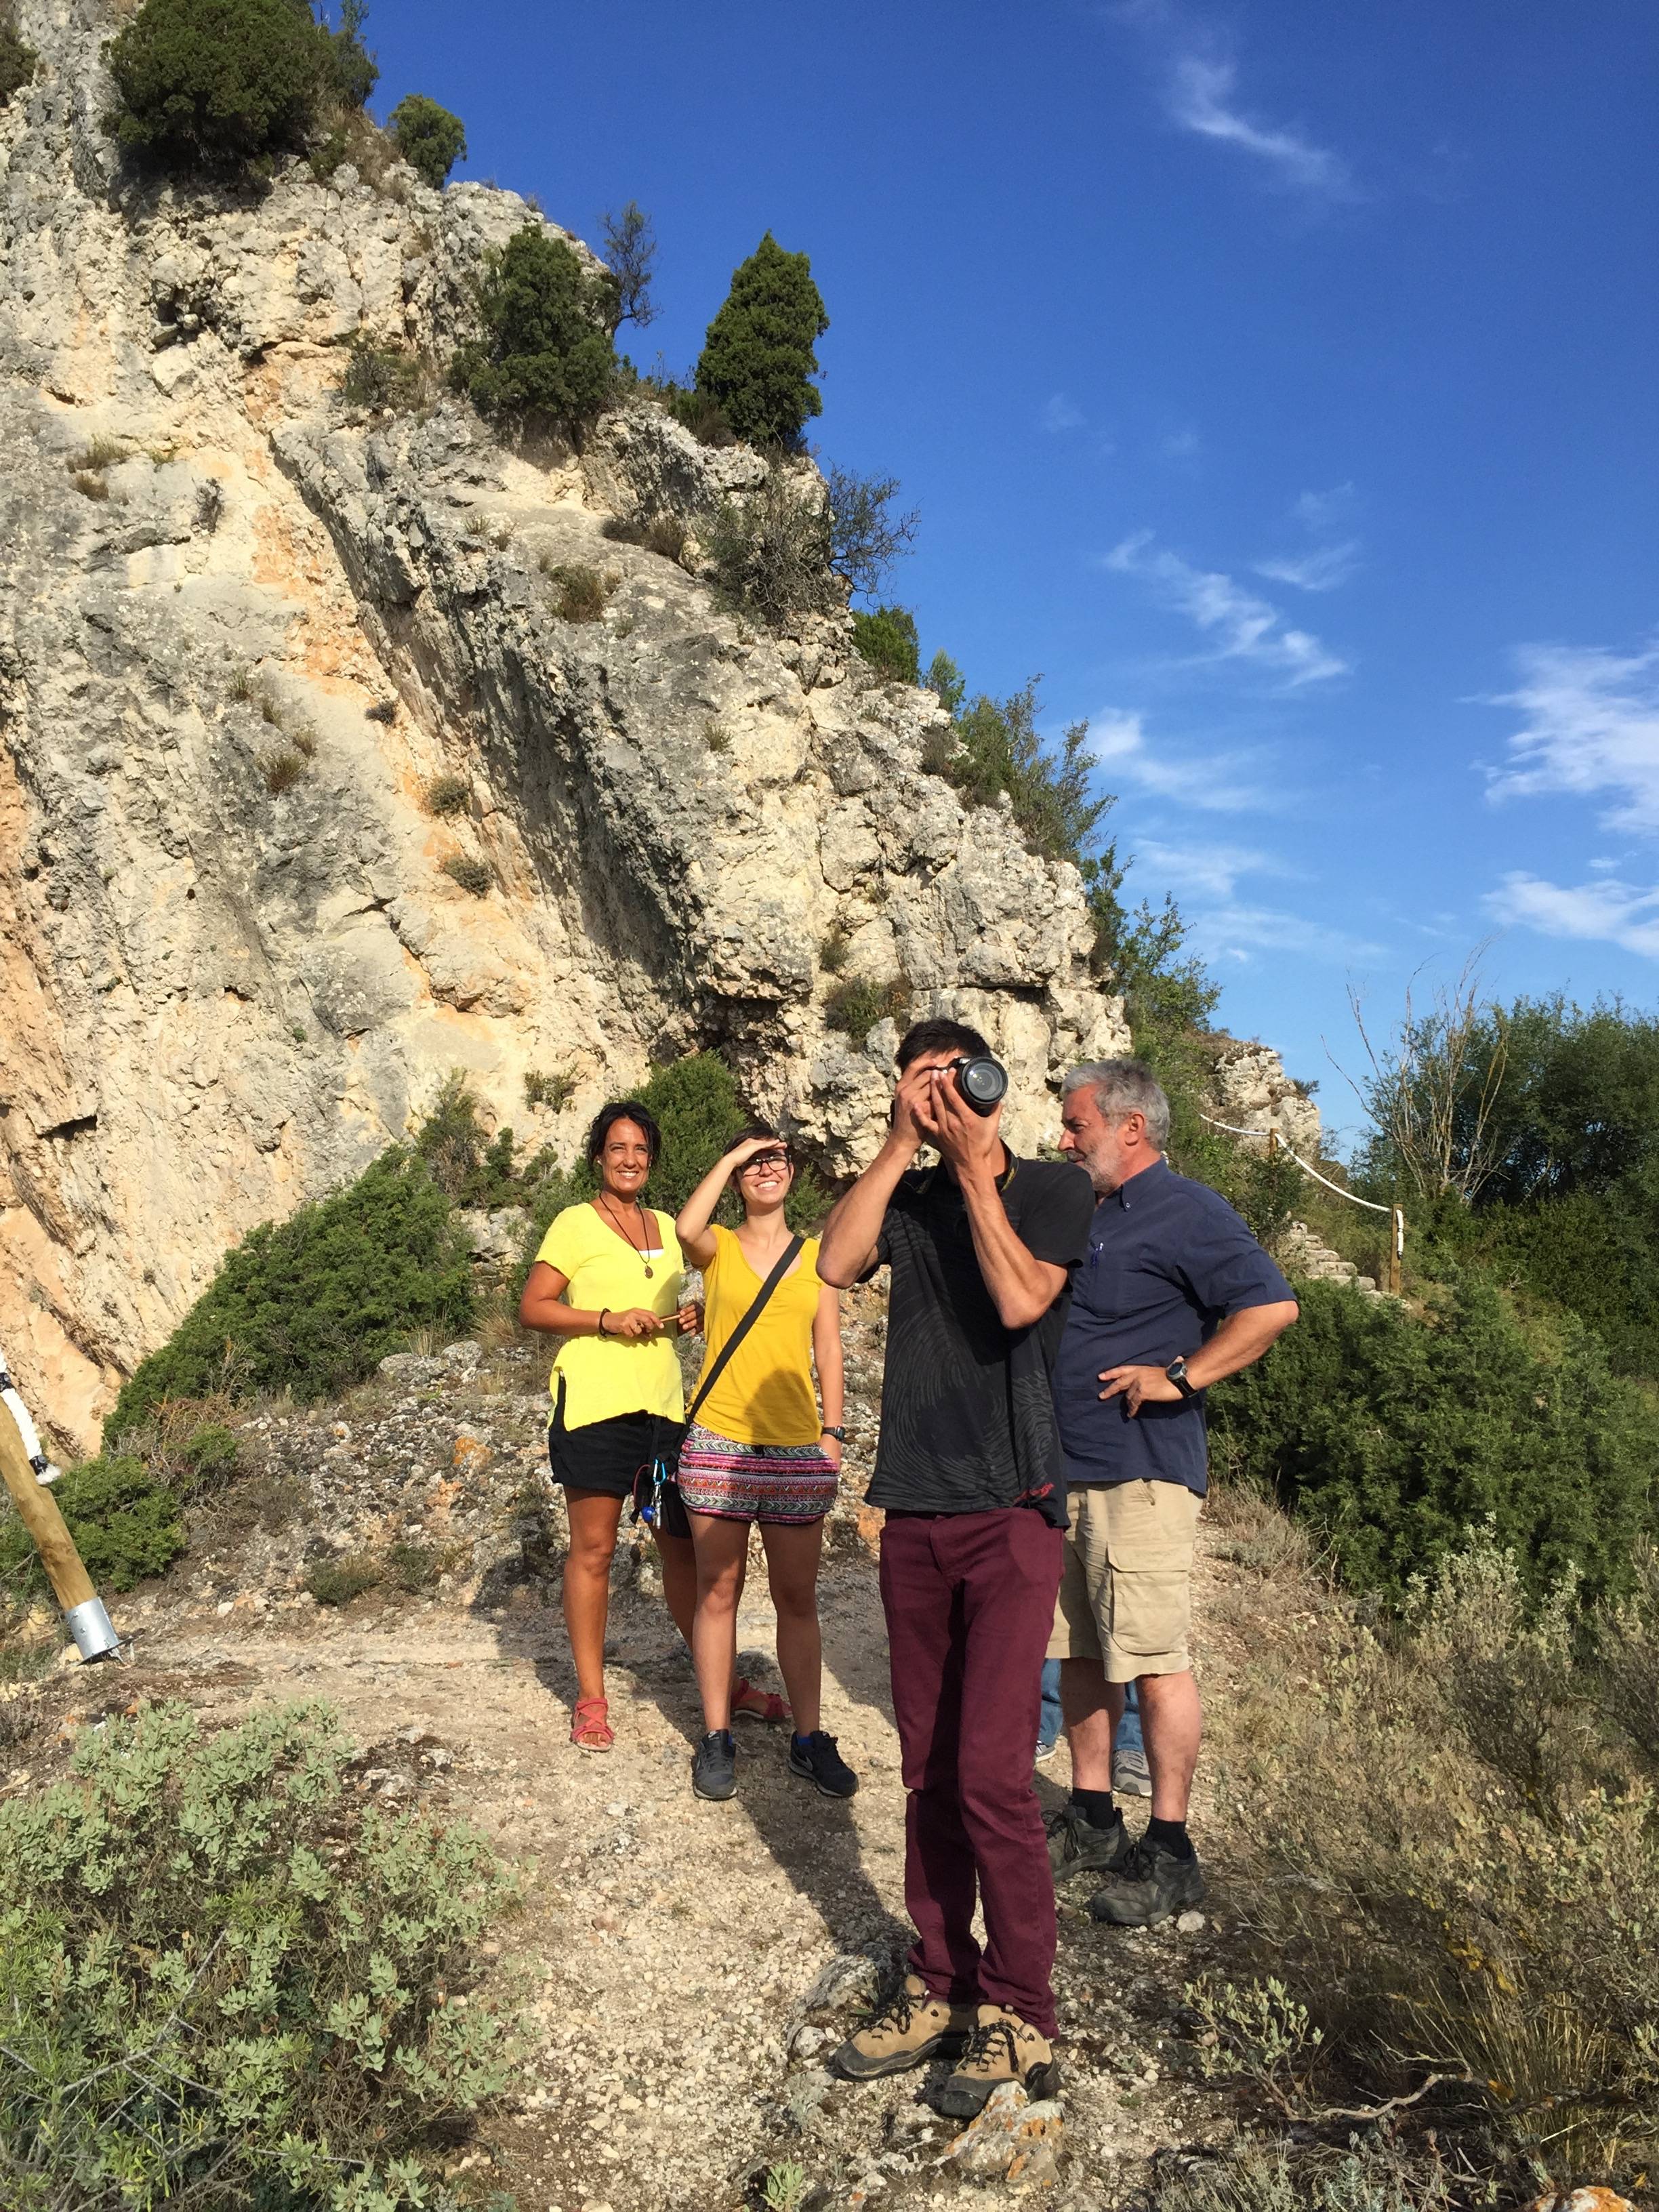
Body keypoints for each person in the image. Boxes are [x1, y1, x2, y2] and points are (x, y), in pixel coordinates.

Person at [817, 1019, 1094, 2120]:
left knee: (988, 1769)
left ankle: (1020, 2004)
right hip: (913, 1511)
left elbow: (1025, 1298)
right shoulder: (907, 1195)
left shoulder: (1051, 1192)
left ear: (990, 1083)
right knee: (926, 1767)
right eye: (918, 1084)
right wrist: (896, 1150)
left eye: (953, 1081)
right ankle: (942, 1982)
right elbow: (834, 1262)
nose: (940, 1099)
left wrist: (975, 1166)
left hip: (1013, 1512)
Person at [1046, 1061, 1298, 1925]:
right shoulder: (1092, 1210)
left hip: (1144, 1473)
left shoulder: (1189, 1208)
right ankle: (1092, 1818)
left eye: (1077, 1125)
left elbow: (1269, 1309)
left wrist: (1180, 1377)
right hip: (1073, 1469)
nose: (1065, 1138)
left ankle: (1173, 1847)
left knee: (1152, 1660)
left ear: (1130, 1128)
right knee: (1079, 1652)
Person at [674, 1125, 857, 1805]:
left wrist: (832, 1434)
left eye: (776, 1158)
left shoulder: (818, 1257)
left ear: (794, 1173)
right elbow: (685, 1226)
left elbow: (829, 1345)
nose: (765, 1170)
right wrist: (730, 1156)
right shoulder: (716, 1247)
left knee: (797, 1598)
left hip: (795, 1447)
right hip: (719, 1440)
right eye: (754, 1161)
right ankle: (718, 1736)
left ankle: (808, 1739)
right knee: (718, 1593)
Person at [518, 1100, 699, 1753]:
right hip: (595, 1403)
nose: (630, 1160)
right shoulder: (574, 1222)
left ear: (652, 1161)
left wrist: (686, 1320)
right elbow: (533, 1308)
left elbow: (664, 1306)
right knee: (593, 1551)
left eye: (641, 1151)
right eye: (618, 1148)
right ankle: (591, 1698)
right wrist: (603, 1319)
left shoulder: (670, 1227)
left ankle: (715, 1679)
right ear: (599, 1156)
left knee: (682, 1545)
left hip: (663, 1407)